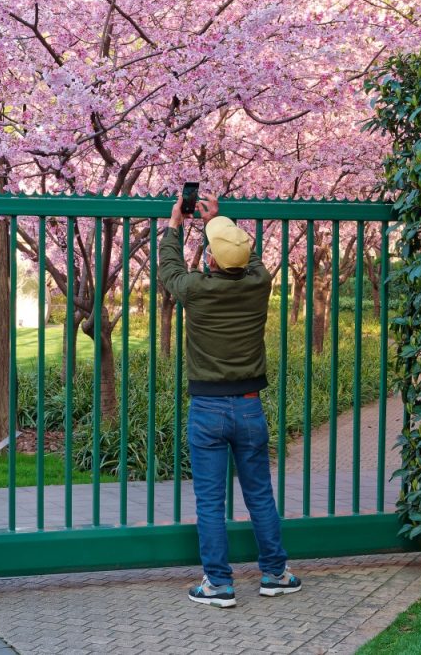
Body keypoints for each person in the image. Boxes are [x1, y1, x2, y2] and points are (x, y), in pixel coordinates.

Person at [158, 192, 302, 607]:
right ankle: (275, 573)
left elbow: (169, 268)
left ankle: (218, 584)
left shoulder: (196, 289)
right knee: (260, 493)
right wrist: (222, 222)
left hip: (207, 410)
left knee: (209, 500)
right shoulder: (259, 283)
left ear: (211, 262)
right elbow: (249, 258)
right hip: (249, 404)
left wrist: (175, 226)